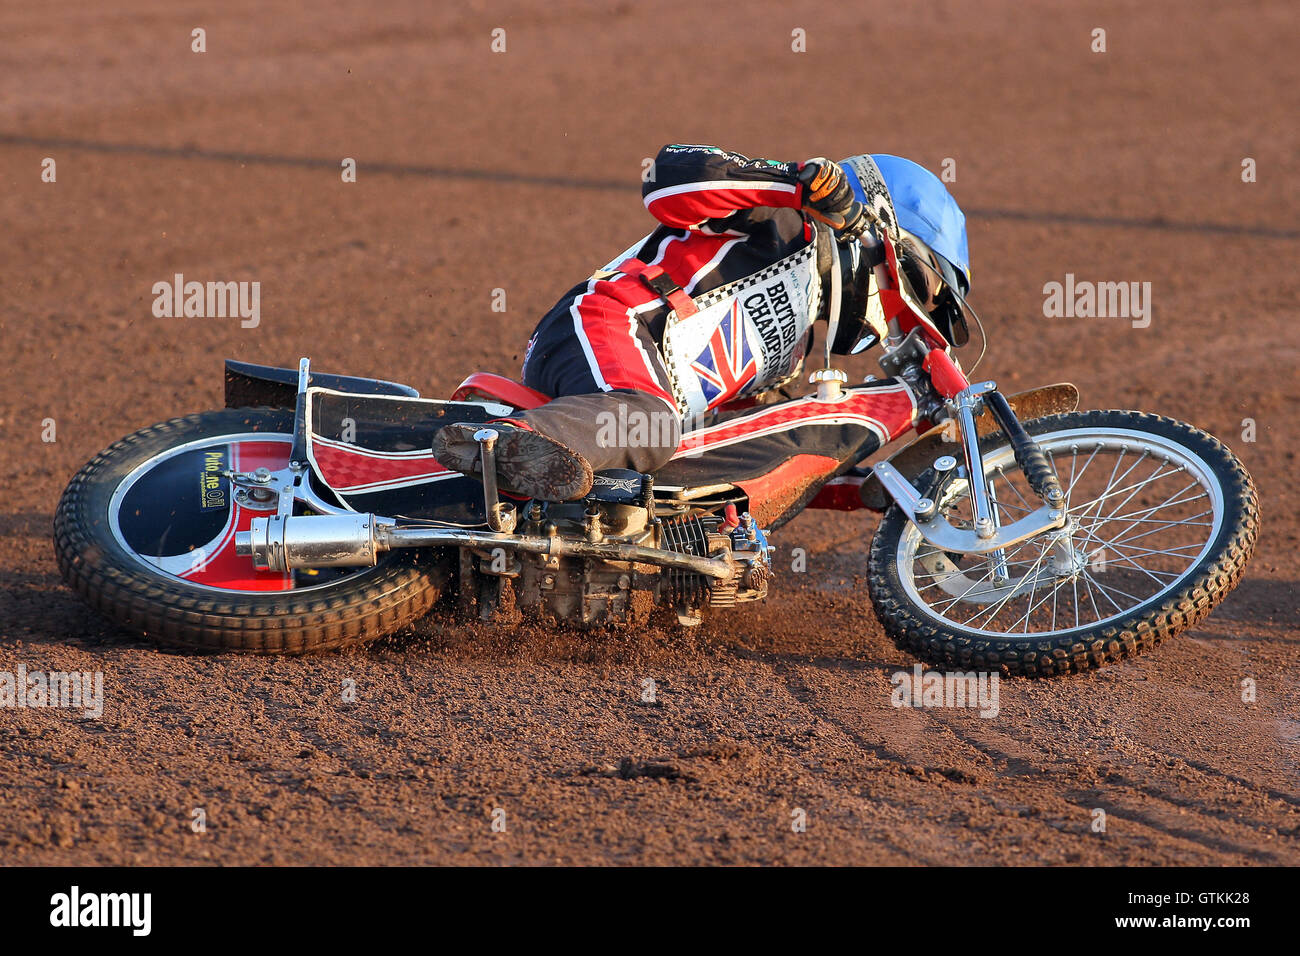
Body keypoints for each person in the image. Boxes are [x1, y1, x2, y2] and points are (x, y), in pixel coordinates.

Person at [433, 143, 971, 501]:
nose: (902, 310)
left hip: (631, 396)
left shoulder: (790, 350)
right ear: (881, 231)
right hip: (607, 323)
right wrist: (792, 186)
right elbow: (666, 178)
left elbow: (746, 442)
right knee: (648, 420)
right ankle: (498, 443)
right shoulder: (782, 221)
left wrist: (859, 478)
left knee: (671, 448)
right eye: (917, 285)